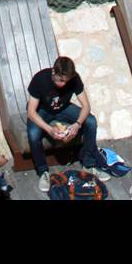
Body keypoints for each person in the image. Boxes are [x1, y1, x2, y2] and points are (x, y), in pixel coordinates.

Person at [26, 56, 106, 193]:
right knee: (33, 133)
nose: (63, 84)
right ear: (53, 72)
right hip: (42, 110)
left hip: (64, 108)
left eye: (66, 81)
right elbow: (31, 112)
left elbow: (86, 106)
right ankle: (43, 171)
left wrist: (77, 124)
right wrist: (49, 129)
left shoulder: (74, 79)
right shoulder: (40, 79)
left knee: (91, 121)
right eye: (60, 80)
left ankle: (88, 163)